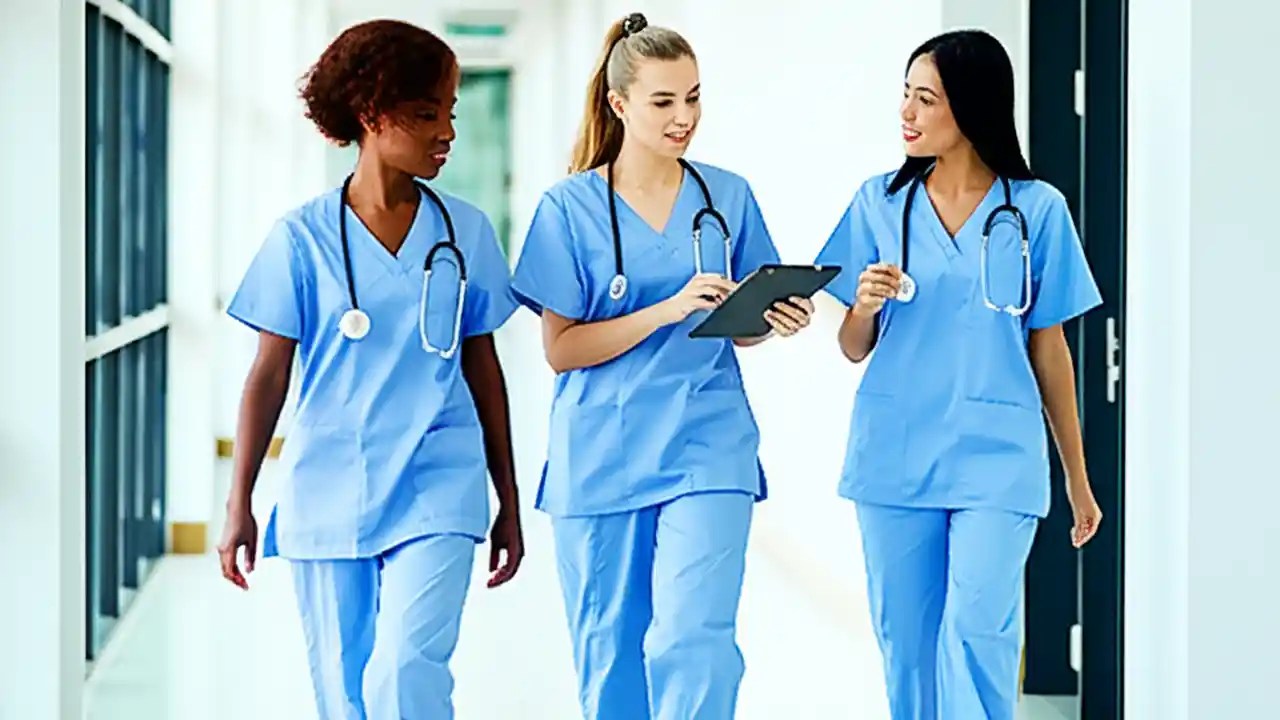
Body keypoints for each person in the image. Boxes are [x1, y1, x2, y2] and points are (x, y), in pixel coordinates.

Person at [214, 20, 524, 720]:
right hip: (331, 482)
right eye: (425, 115)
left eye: (451, 112)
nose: (446, 132)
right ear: (370, 114)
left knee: (405, 671)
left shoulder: (466, 232)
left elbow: (485, 369)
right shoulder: (301, 238)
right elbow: (268, 376)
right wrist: (240, 501)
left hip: (438, 479)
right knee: (345, 693)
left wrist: (505, 495)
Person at [510, 12, 813, 719]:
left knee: (694, 637)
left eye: (695, 97)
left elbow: (739, 331)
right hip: (602, 453)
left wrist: (769, 320)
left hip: (708, 444)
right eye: (665, 101)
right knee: (611, 651)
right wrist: (664, 310)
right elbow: (561, 350)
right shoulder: (570, 208)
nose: (686, 117)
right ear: (620, 105)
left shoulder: (726, 196)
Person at [813, 30, 1105, 720]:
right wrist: (863, 304)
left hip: (998, 459)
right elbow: (854, 346)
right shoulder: (878, 202)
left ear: (971, 109)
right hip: (895, 454)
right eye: (905, 97)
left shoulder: (1036, 211)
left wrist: (1078, 478)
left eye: (925, 99)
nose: (907, 114)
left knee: (978, 632)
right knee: (908, 647)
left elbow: (1050, 349)